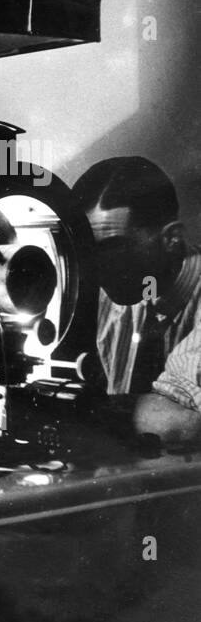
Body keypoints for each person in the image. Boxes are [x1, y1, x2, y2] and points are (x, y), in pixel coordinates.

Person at [72, 156, 201, 448]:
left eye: (114, 249)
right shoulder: (125, 290)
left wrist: (76, 408)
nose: (96, 270)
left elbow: (180, 425)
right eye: (88, 252)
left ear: (172, 238)